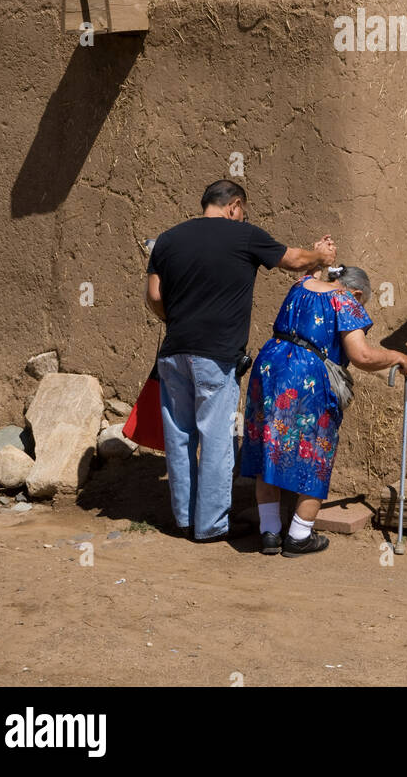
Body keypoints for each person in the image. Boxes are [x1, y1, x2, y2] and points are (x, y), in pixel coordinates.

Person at [144, 179, 336, 543]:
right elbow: (292, 260)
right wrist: (321, 258)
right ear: (234, 206)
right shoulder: (243, 235)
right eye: (242, 211)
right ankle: (210, 527)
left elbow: (154, 295)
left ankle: (184, 520)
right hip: (215, 356)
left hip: (173, 353)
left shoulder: (168, 239)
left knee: (180, 438)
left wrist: (176, 319)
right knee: (216, 439)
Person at [240, 261, 407, 556]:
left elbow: (311, 273)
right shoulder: (345, 299)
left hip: (268, 367)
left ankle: (269, 533)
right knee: (315, 451)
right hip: (307, 377)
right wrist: (398, 356)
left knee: (269, 444)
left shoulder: (301, 286)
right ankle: (299, 535)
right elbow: (361, 355)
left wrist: (321, 257)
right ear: (357, 294)